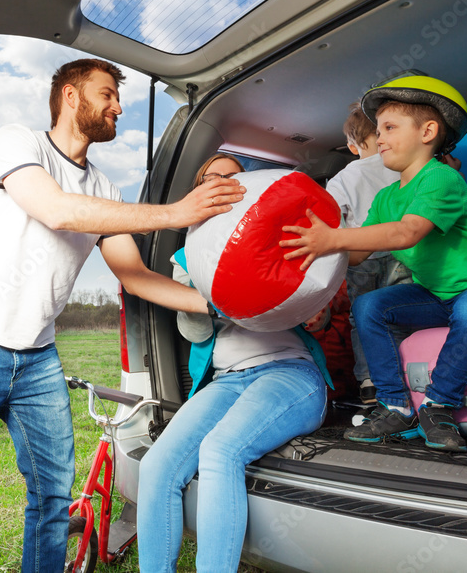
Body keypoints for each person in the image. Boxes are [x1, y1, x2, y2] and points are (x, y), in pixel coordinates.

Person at [0, 59, 246, 573]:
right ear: (72, 97)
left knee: (54, 502)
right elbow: (57, 210)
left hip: (37, 360)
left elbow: (134, 276)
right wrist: (175, 213)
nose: (118, 106)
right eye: (107, 95)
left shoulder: (105, 188)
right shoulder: (20, 143)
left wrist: (215, 303)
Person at [280, 75, 467, 452]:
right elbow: (358, 254)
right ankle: (394, 405)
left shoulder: (441, 178)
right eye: (378, 131)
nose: (379, 139)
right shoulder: (386, 197)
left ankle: (439, 405)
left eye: (390, 128)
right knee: (370, 305)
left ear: (428, 132)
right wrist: (311, 245)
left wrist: (334, 238)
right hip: (436, 297)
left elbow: (407, 233)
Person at [137, 153, 332, 573]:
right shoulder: (187, 259)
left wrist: (315, 312)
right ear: (198, 190)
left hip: (289, 372)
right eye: (213, 178)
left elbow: (320, 312)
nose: (225, 183)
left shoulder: (277, 239)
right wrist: (205, 295)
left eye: (235, 178)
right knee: (157, 465)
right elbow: (194, 334)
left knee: (220, 450)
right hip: (227, 380)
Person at [325, 102, 411, 405]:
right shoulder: (401, 166)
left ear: (351, 146)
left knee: (361, 319)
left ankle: (368, 380)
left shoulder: (341, 180)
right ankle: (408, 371)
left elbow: (332, 220)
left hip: (361, 258)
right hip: (403, 253)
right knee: (398, 313)